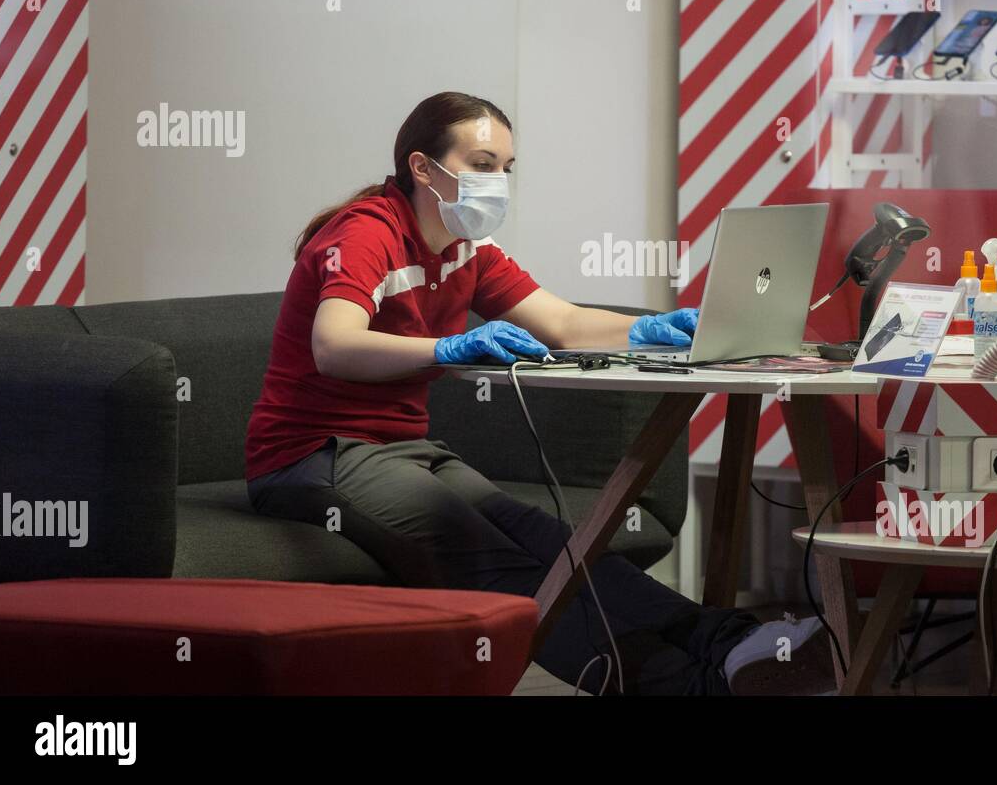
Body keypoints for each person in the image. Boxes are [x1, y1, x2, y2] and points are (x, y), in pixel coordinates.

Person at [244, 91, 836, 695]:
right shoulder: (367, 232)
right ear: (423, 167)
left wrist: (651, 330)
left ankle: (733, 643)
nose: (497, 181)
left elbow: (563, 324)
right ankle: (691, 687)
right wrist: (444, 349)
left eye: (506, 167)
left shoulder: (464, 248)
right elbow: (334, 345)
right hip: (312, 455)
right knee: (494, 560)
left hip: (404, 450)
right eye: (480, 164)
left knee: (561, 543)